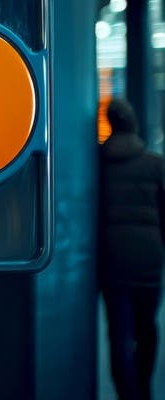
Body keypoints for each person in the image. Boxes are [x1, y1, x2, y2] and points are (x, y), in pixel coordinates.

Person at [98, 98, 165, 400]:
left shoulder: (99, 165)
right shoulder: (155, 164)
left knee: (119, 333)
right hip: (149, 260)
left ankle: (128, 394)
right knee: (147, 328)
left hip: (113, 261)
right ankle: (145, 388)